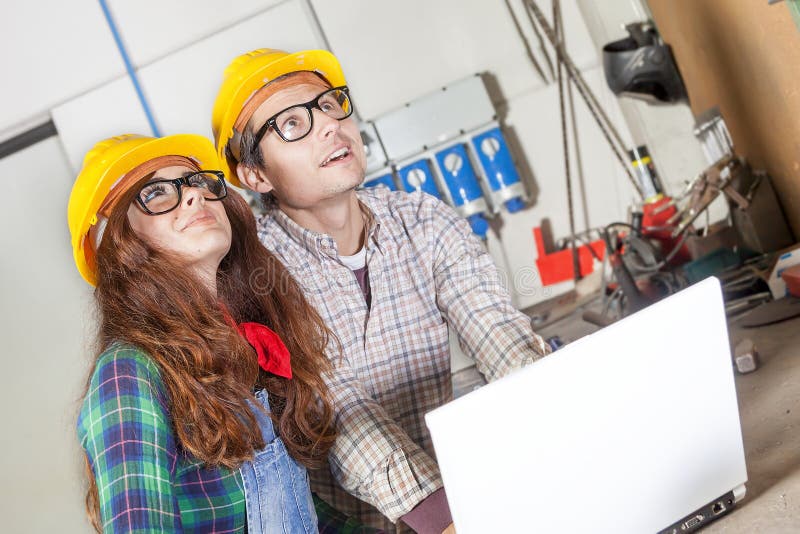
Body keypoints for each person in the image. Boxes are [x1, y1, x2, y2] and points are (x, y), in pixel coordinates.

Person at [211, 49, 551, 533]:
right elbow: (335, 411)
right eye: (291, 124)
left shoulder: (422, 220)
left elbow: (502, 337)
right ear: (256, 175)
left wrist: (560, 419)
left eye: (329, 104)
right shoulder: (253, 276)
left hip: (466, 500)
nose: (329, 126)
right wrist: (446, 521)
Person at [68, 134, 375, 533]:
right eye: (156, 193)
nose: (195, 195)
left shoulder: (244, 347)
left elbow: (290, 507)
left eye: (198, 182)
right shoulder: (128, 373)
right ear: (121, 243)